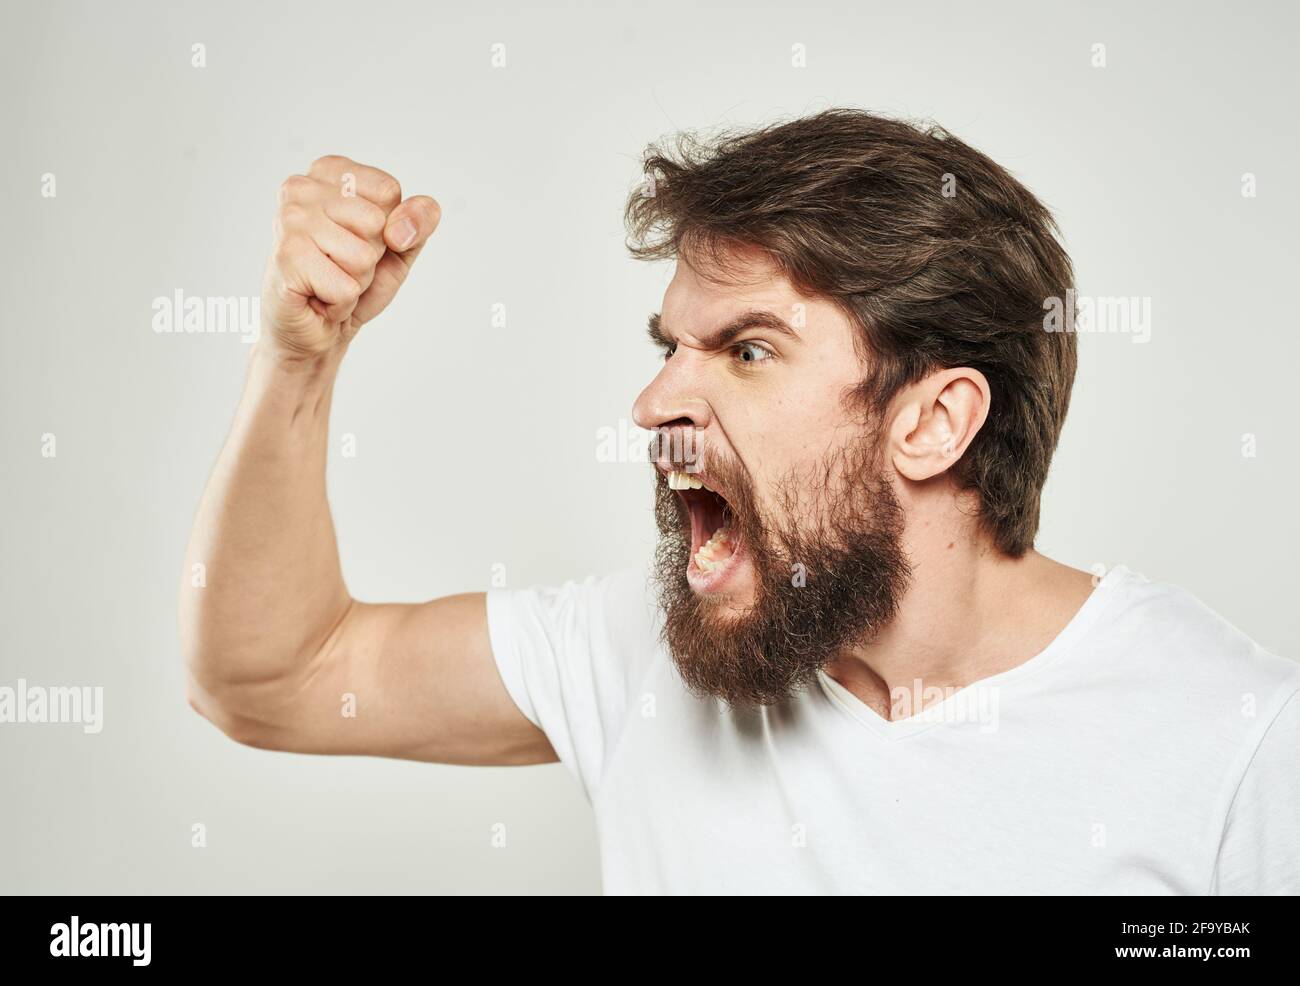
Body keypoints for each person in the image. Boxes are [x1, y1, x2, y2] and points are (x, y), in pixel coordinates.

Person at [180, 109, 1299, 894]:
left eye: (747, 350)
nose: (655, 399)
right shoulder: (636, 655)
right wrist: (299, 357)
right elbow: (273, 674)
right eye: (670, 346)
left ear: (931, 420)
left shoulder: (1234, 744)